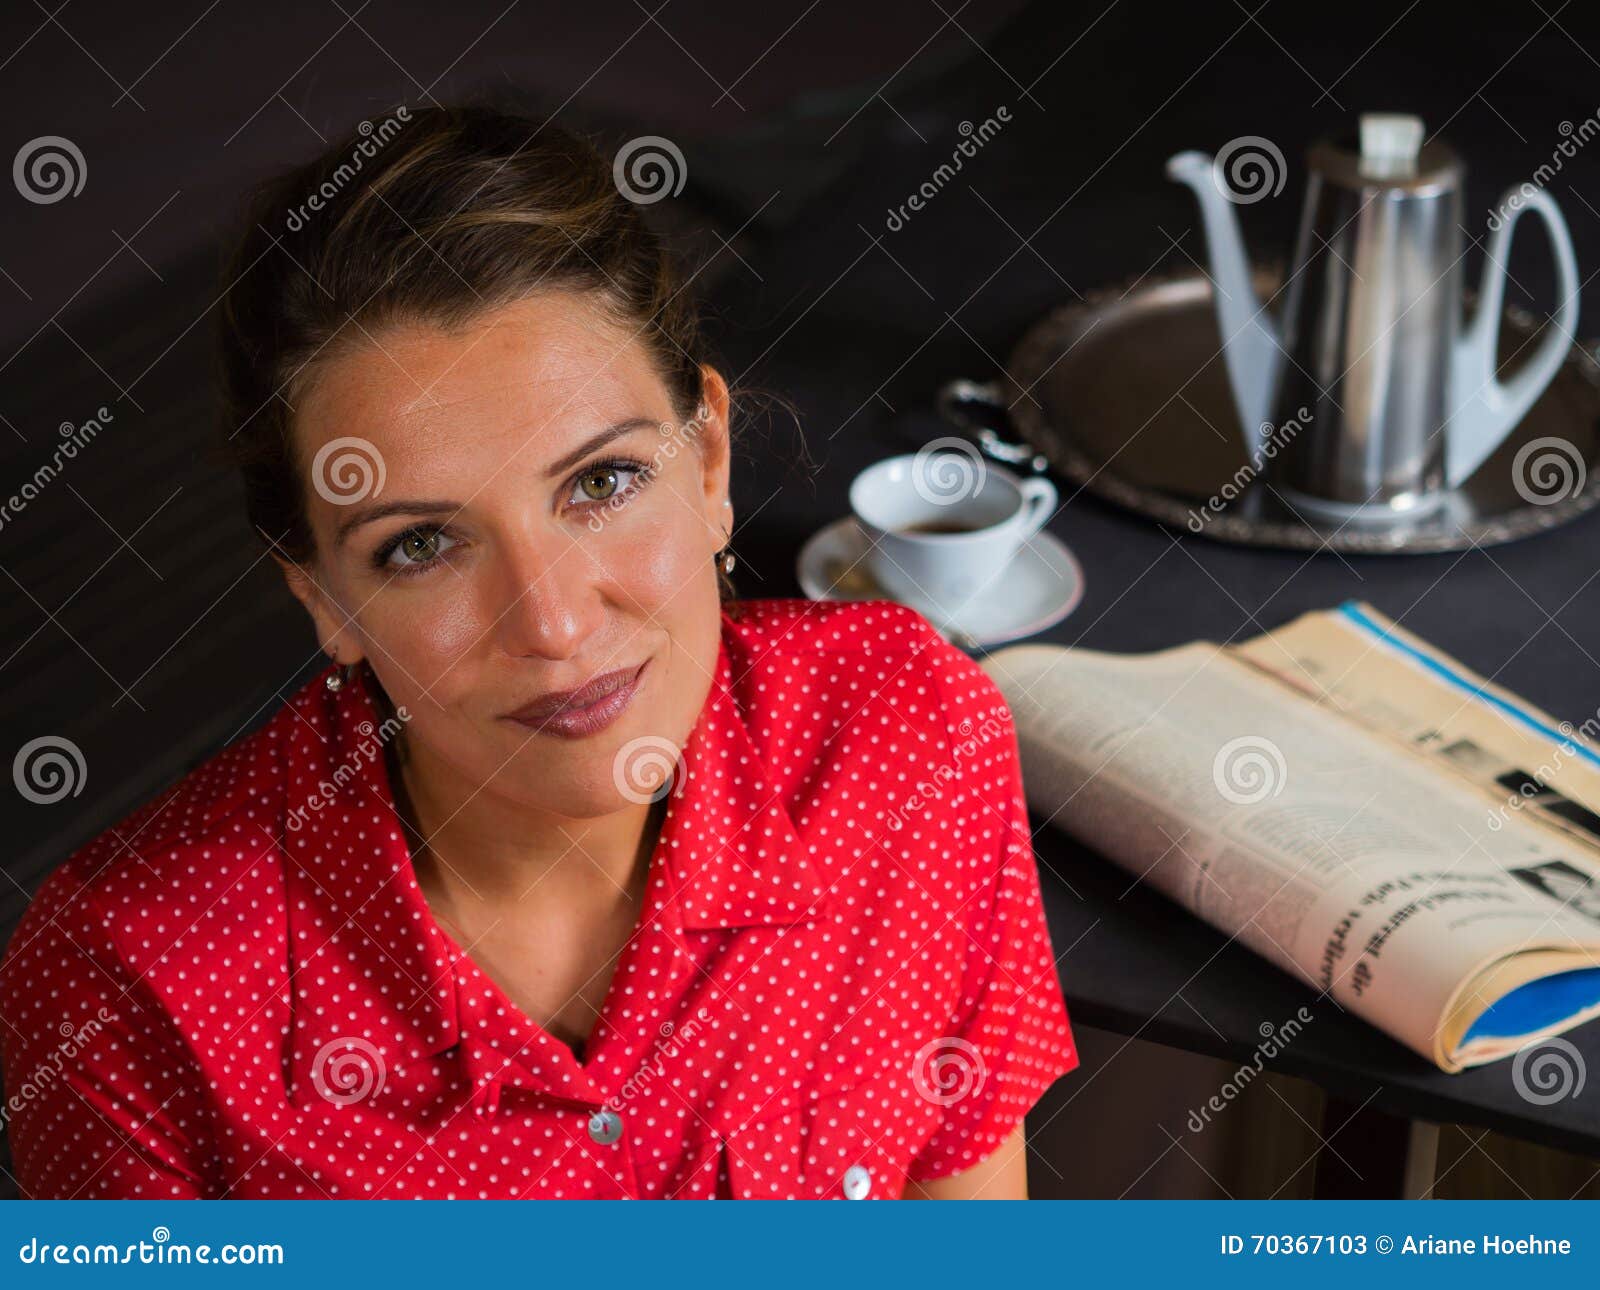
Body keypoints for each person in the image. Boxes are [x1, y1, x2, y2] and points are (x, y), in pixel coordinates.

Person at [0, 101, 1077, 1199]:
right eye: (421, 545)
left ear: (707, 464)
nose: (555, 627)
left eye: (601, 483)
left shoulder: (910, 732)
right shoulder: (123, 991)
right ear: (324, 596)